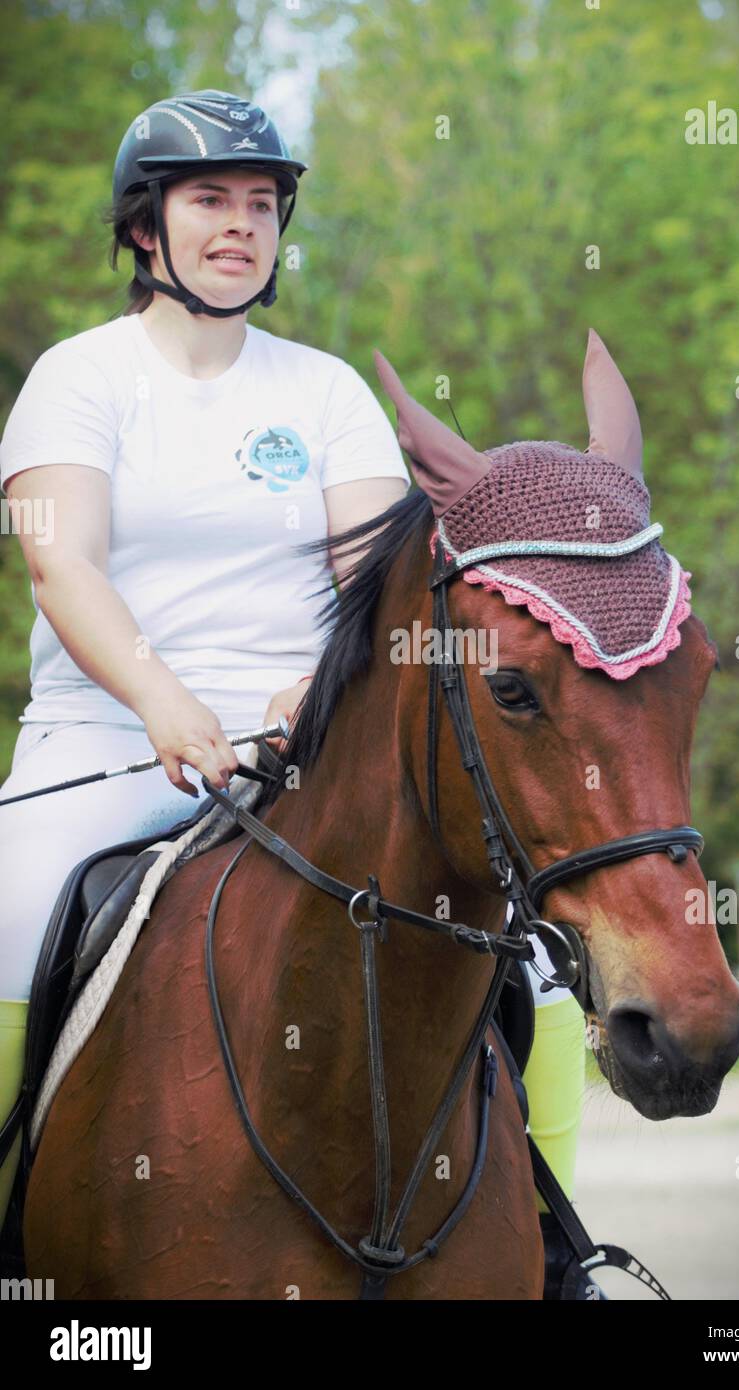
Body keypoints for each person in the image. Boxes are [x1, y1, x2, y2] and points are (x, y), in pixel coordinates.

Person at [0, 89, 590, 1297]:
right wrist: (163, 700)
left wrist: (305, 694)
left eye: (261, 205)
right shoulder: (78, 378)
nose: (239, 225)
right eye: (209, 199)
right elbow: (63, 561)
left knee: (525, 968)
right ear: (143, 227)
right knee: (5, 936)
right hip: (101, 747)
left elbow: (376, 584)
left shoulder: (323, 392)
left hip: (299, 752)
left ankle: (551, 1251)